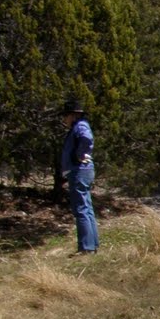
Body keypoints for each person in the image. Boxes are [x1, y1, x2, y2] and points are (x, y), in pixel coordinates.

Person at [60, 98, 99, 253]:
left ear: (73, 115)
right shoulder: (79, 126)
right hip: (82, 170)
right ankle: (92, 244)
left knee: (81, 209)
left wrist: (79, 155)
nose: (64, 119)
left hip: (79, 170)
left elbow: (87, 139)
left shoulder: (80, 126)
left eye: (66, 116)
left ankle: (86, 247)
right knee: (86, 208)